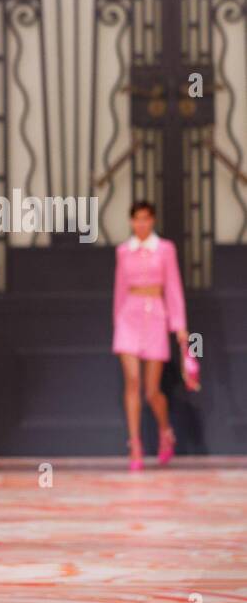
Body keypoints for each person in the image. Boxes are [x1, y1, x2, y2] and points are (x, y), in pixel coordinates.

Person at [111, 201, 191, 470]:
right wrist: (118, 323)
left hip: (155, 315)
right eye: (136, 219)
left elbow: (174, 288)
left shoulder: (165, 249)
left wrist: (179, 326)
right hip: (129, 317)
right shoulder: (124, 251)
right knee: (131, 381)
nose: (141, 224)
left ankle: (165, 431)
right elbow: (120, 289)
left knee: (151, 390)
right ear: (131, 222)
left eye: (146, 219)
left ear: (152, 220)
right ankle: (135, 445)